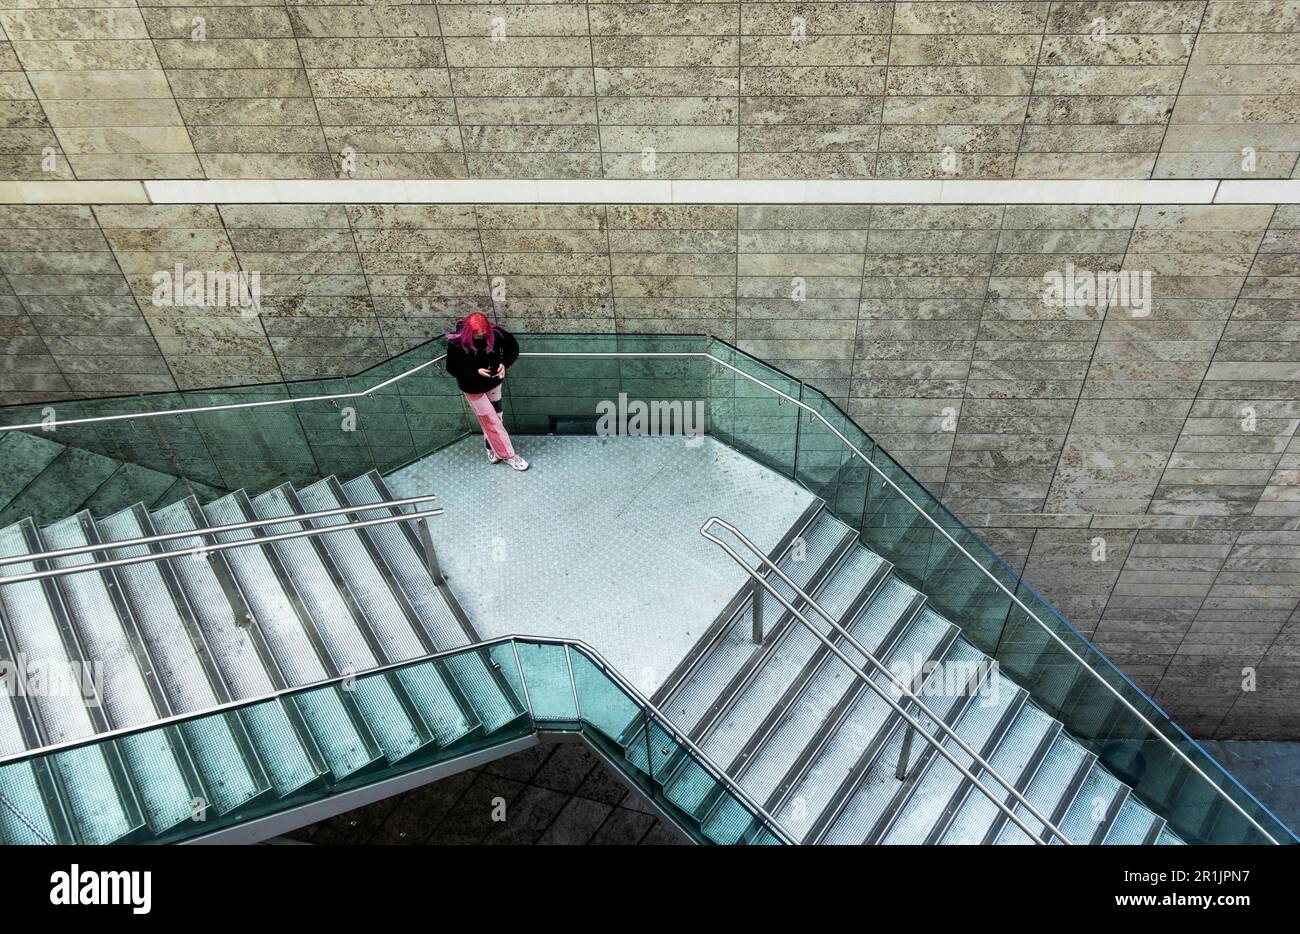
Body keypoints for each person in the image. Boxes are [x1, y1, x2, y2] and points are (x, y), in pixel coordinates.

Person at [445, 313, 529, 470]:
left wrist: (505, 363)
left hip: (493, 382)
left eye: (484, 334)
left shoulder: (495, 333)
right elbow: (452, 367)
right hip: (472, 388)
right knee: (490, 420)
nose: (481, 337)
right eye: (477, 335)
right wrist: (475, 371)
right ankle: (509, 455)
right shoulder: (457, 343)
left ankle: (490, 447)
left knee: (496, 418)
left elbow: (513, 347)